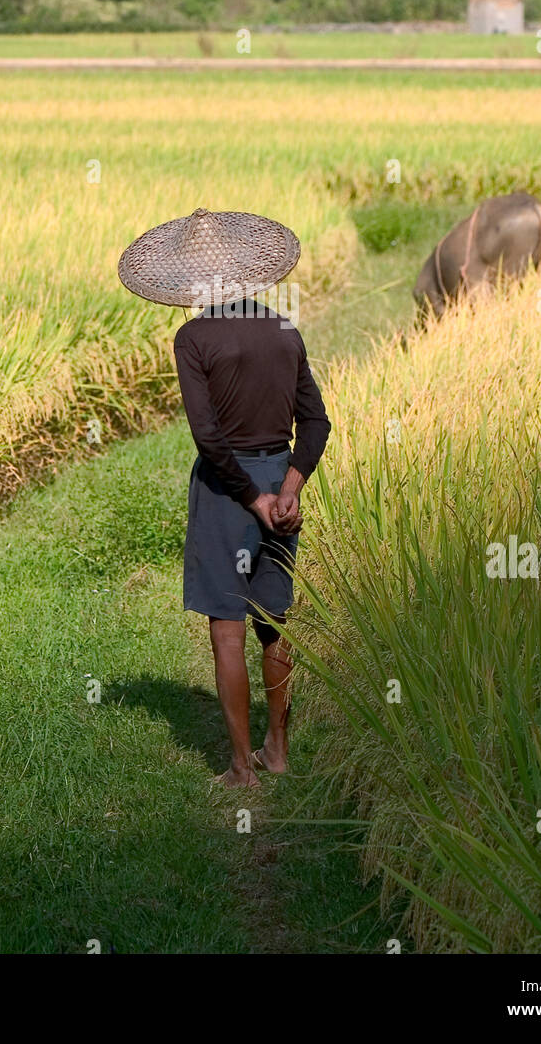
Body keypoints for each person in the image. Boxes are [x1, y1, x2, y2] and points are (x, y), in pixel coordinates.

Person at [118, 208, 331, 787]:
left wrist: (250, 498)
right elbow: (316, 423)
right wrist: (286, 488)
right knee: (274, 620)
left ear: (192, 280)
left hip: (225, 491)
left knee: (227, 629)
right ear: (249, 271)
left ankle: (242, 769)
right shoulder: (285, 329)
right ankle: (277, 750)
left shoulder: (193, 338)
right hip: (277, 488)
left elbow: (208, 436)